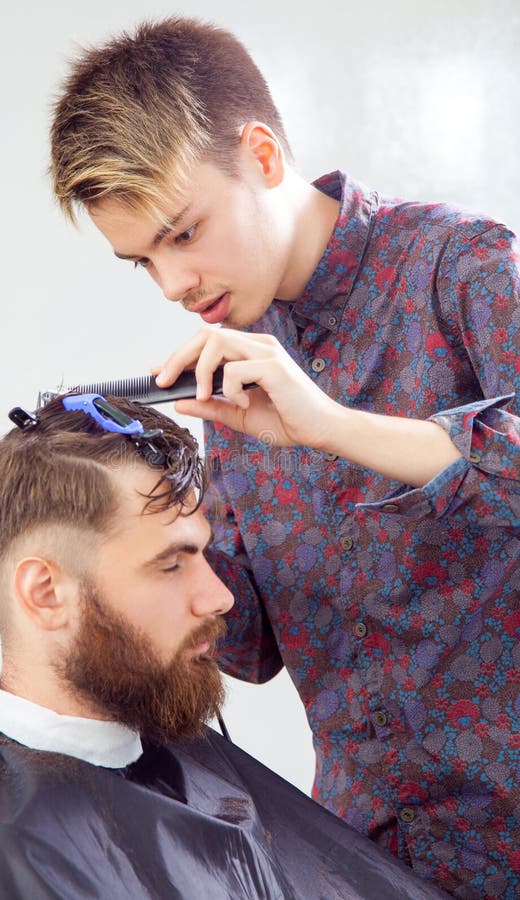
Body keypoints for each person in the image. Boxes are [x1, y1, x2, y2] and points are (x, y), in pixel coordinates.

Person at [48, 18, 520, 898]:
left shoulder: (463, 266)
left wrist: (330, 424)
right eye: (141, 261)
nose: (173, 285)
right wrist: (143, 530)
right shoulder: (234, 372)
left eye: (183, 234)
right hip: (363, 858)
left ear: (261, 155)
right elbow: (253, 645)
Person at [0, 394, 445, 900]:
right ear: (46, 593)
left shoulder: (162, 741)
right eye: (172, 564)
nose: (221, 598)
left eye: (204, 557)